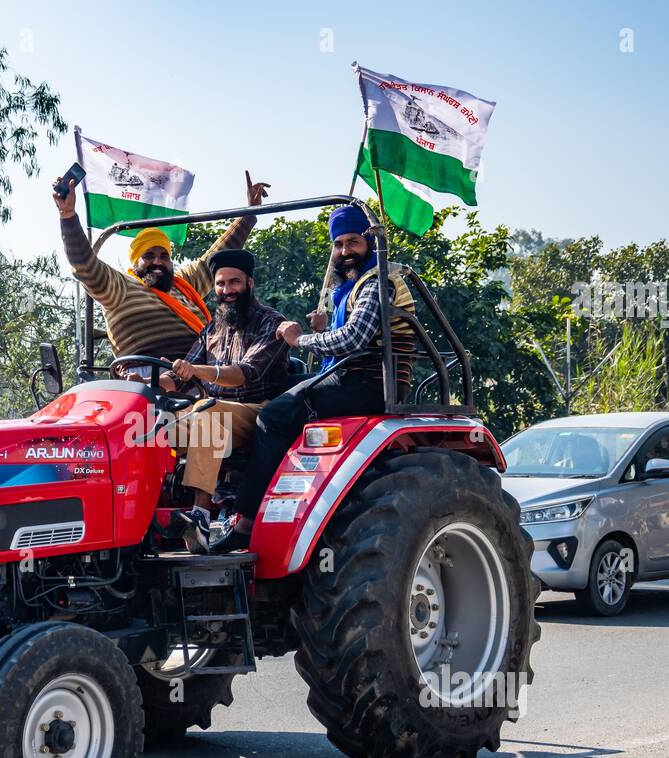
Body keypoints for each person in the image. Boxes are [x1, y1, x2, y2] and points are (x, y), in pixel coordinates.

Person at [211, 205, 417, 553]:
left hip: (370, 383)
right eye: (338, 244)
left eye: (352, 242)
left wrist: (301, 339)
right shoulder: (352, 287)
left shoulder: (379, 282)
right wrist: (322, 330)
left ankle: (245, 521)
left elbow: (353, 339)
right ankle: (235, 486)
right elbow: (346, 340)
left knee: (274, 416)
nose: (345, 251)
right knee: (279, 383)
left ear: (371, 242)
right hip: (350, 373)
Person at [54, 171, 270, 363]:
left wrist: (248, 215)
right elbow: (85, 266)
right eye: (148, 255)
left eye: (163, 255)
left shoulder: (183, 284)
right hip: (151, 379)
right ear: (135, 262)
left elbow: (213, 259)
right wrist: (68, 216)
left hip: (205, 371)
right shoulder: (120, 287)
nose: (157, 262)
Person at [157, 249, 290, 552]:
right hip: (211, 412)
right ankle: (141, 515)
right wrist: (151, 382)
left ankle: (200, 517)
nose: (226, 291)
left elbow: (245, 373)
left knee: (208, 412)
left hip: (260, 412)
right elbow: (177, 379)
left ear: (250, 283)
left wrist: (197, 371)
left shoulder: (271, 324)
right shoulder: (211, 330)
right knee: (151, 423)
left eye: (234, 283)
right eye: (220, 284)